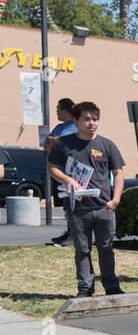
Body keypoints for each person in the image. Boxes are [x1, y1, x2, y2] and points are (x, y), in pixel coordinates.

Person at [46, 101, 125, 297]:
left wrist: (115, 200)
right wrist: (68, 180)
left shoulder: (106, 144)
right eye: (86, 119)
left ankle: (112, 287)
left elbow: (119, 173)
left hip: (104, 207)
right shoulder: (64, 143)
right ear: (76, 121)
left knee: (106, 248)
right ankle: (85, 289)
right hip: (77, 208)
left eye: (95, 119)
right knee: (82, 249)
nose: (91, 123)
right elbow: (52, 168)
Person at [46, 98, 80, 246]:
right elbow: (46, 144)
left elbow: (63, 143)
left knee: (74, 203)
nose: (57, 113)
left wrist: (55, 141)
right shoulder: (60, 127)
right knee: (66, 204)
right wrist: (55, 141)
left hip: (72, 173)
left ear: (65, 111)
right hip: (59, 172)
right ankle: (69, 231)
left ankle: (75, 234)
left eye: (58, 110)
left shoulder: (75, 126)